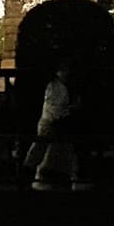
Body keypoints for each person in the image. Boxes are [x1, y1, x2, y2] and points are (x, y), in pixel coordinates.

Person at [24, 61, 78, 191]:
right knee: (45, 148)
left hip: (50, 121)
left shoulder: (55, 87)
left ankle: (37, 174)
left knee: (42, 148)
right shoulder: (58, 88)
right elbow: (56, 109)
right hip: (53, 122)